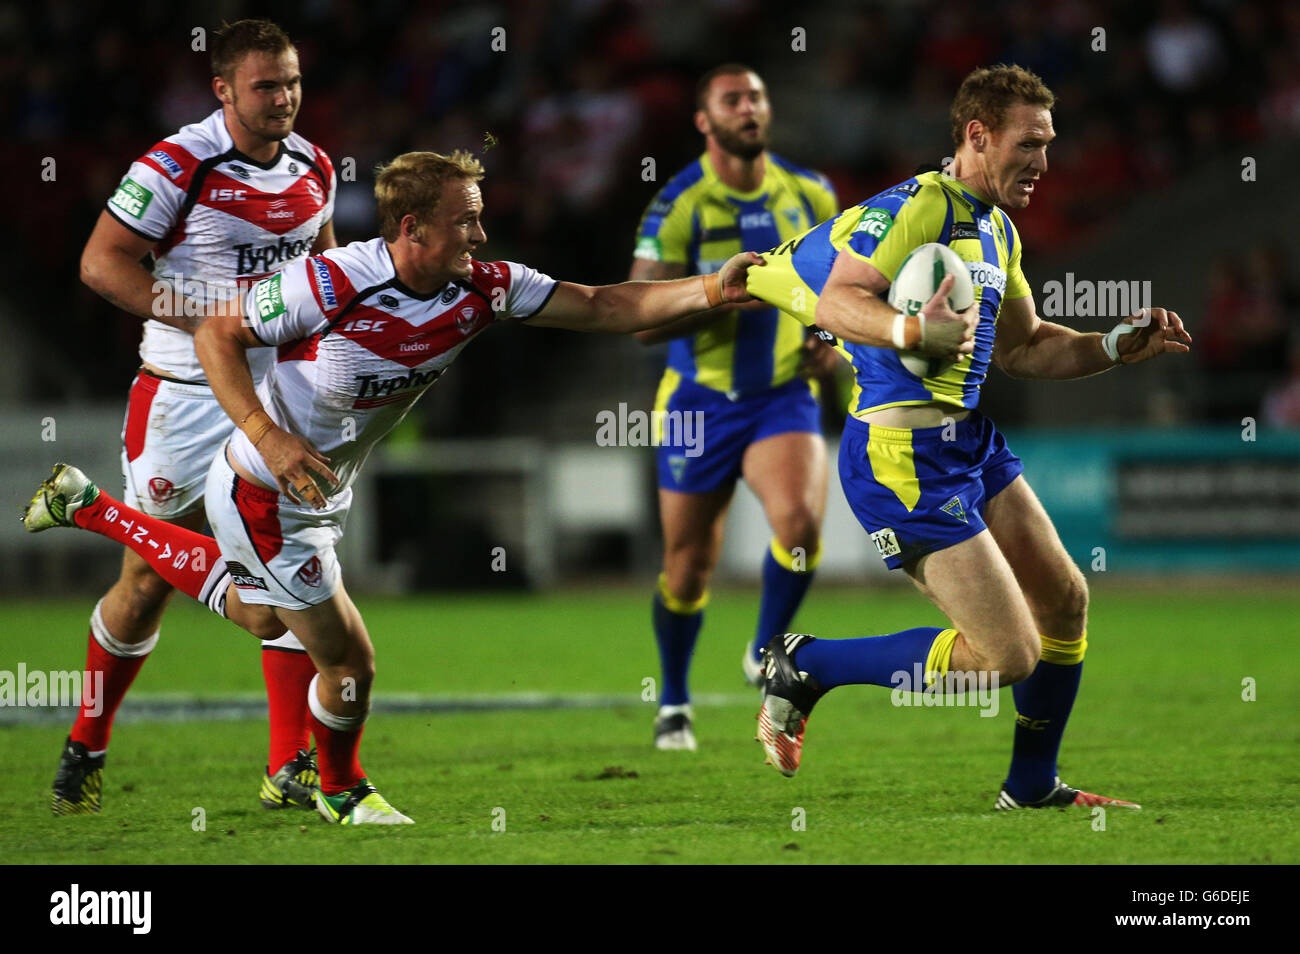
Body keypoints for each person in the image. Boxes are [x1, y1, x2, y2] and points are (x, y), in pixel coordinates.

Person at [25, 150, 763, 825]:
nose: (480, 234)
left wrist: (709, 288)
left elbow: (606, 306)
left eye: (479, 217)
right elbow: (219, 332)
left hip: (322, 496)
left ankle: (93, 509)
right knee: (348, 662)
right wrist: (268, 436)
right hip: (263, 489)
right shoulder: (330, 281)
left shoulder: (484, 288)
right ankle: (341, 790)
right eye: (465, 220)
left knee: (263, 619)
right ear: (412, 228)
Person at [744, 65, 1192, 809]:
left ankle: (1031, 785)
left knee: (1066, 601)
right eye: (1030, 142)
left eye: (1050, 144)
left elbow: (1026, 347)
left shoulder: (996, 229)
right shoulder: (918, 206)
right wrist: (908, 329)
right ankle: (809, 664)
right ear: (978, 136)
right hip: (900, 456)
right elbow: (839, 300)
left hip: (968, 443)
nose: (1044, 162)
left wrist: (1115, 344)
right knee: (1003, 656)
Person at [53, 18, 338, 816]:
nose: (283, 99)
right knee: (145, 584)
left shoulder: (315, 165)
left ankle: (288, 769)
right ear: (223, 90)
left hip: (277, 401)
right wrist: (206, 318)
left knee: (291, 570)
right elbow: (100, 262)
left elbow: (322, 271)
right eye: (265, 87)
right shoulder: (176, 165)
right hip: (181, 396)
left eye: (292, 83)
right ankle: (88, 740)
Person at [630, 64, 841, 750]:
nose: (748, 108)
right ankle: (673, 699)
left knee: (801, 526)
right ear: (705, 120)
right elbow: (639, 317)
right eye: (732, 100)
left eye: (757, 95)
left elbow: (842, 288)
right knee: (687, 566)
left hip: (782, 392)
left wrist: (830, 340)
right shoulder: (679, 204)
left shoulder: (811, 193)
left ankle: (764, 648)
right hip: (698, 400)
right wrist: (715, 296)